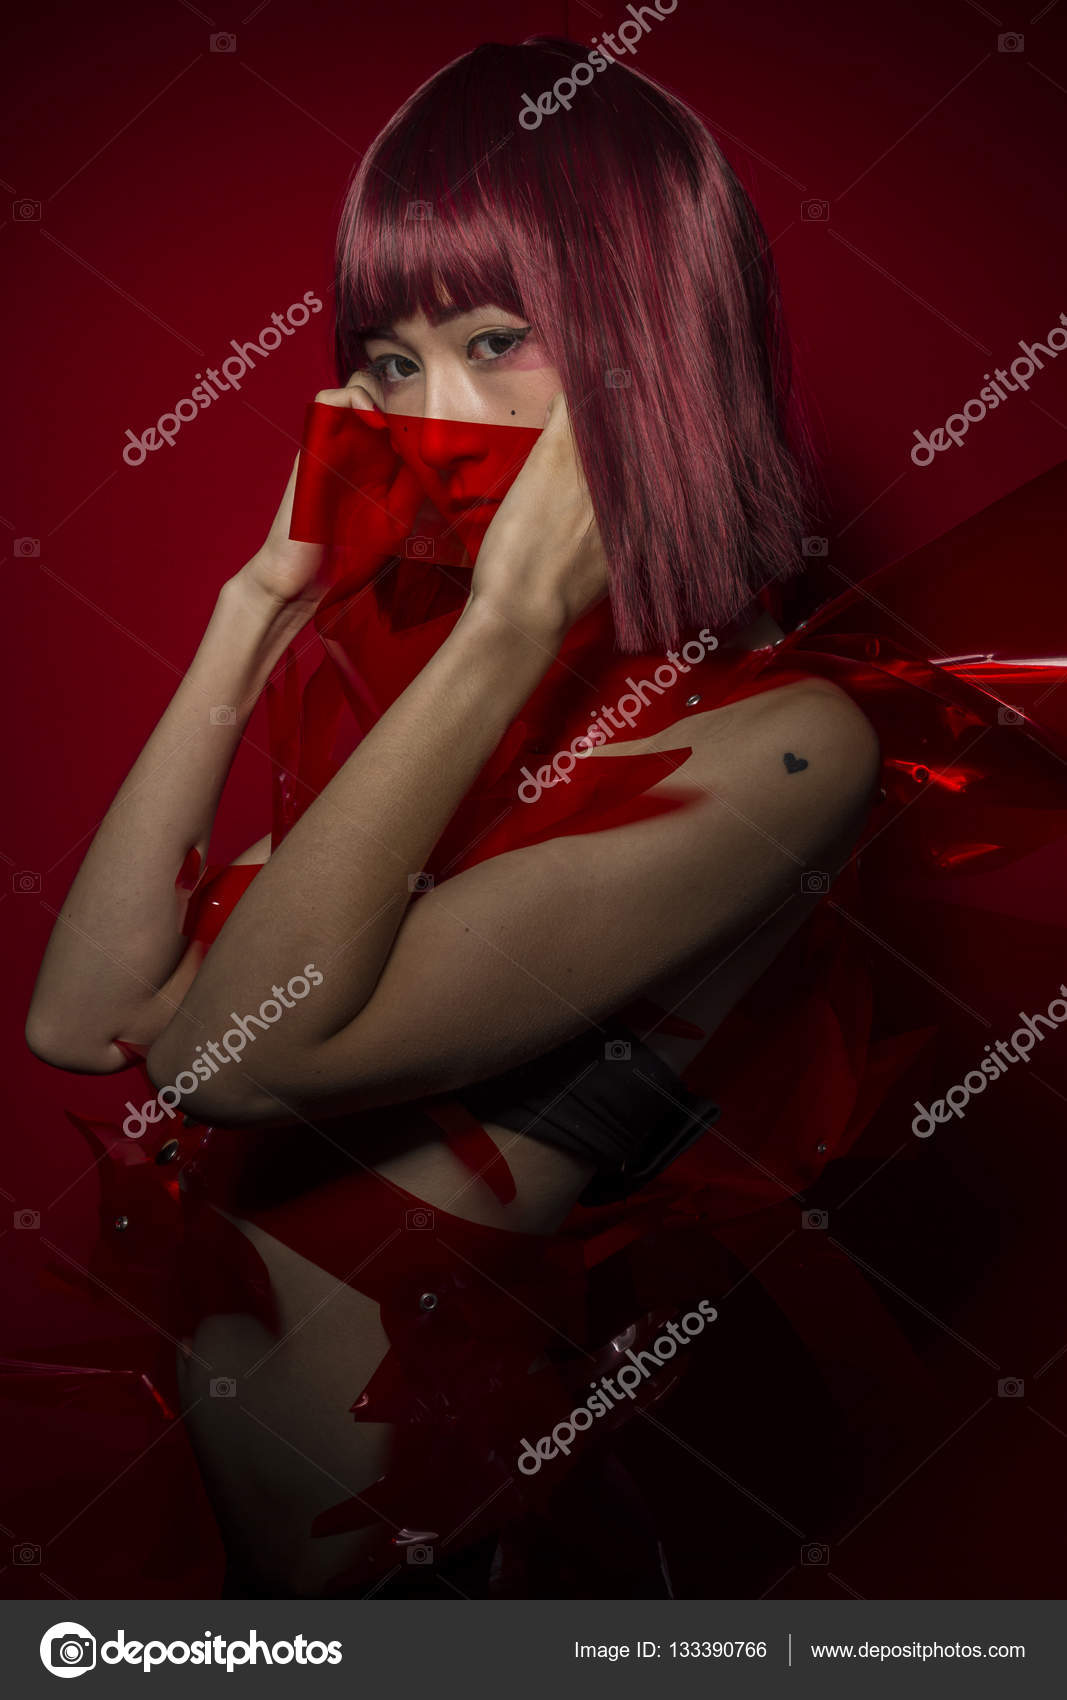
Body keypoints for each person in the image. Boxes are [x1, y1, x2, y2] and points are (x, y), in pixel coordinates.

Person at [26, 37, 882, 1597]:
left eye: (500, 338)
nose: (444, 417)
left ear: (657, 346)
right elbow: (89, 1022)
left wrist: (496, 632)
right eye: (393, 359)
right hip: (253, 1593)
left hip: (444, 1597)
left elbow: (235, 1061)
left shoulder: (791, 748)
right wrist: (263, 602)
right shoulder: (449, 705)